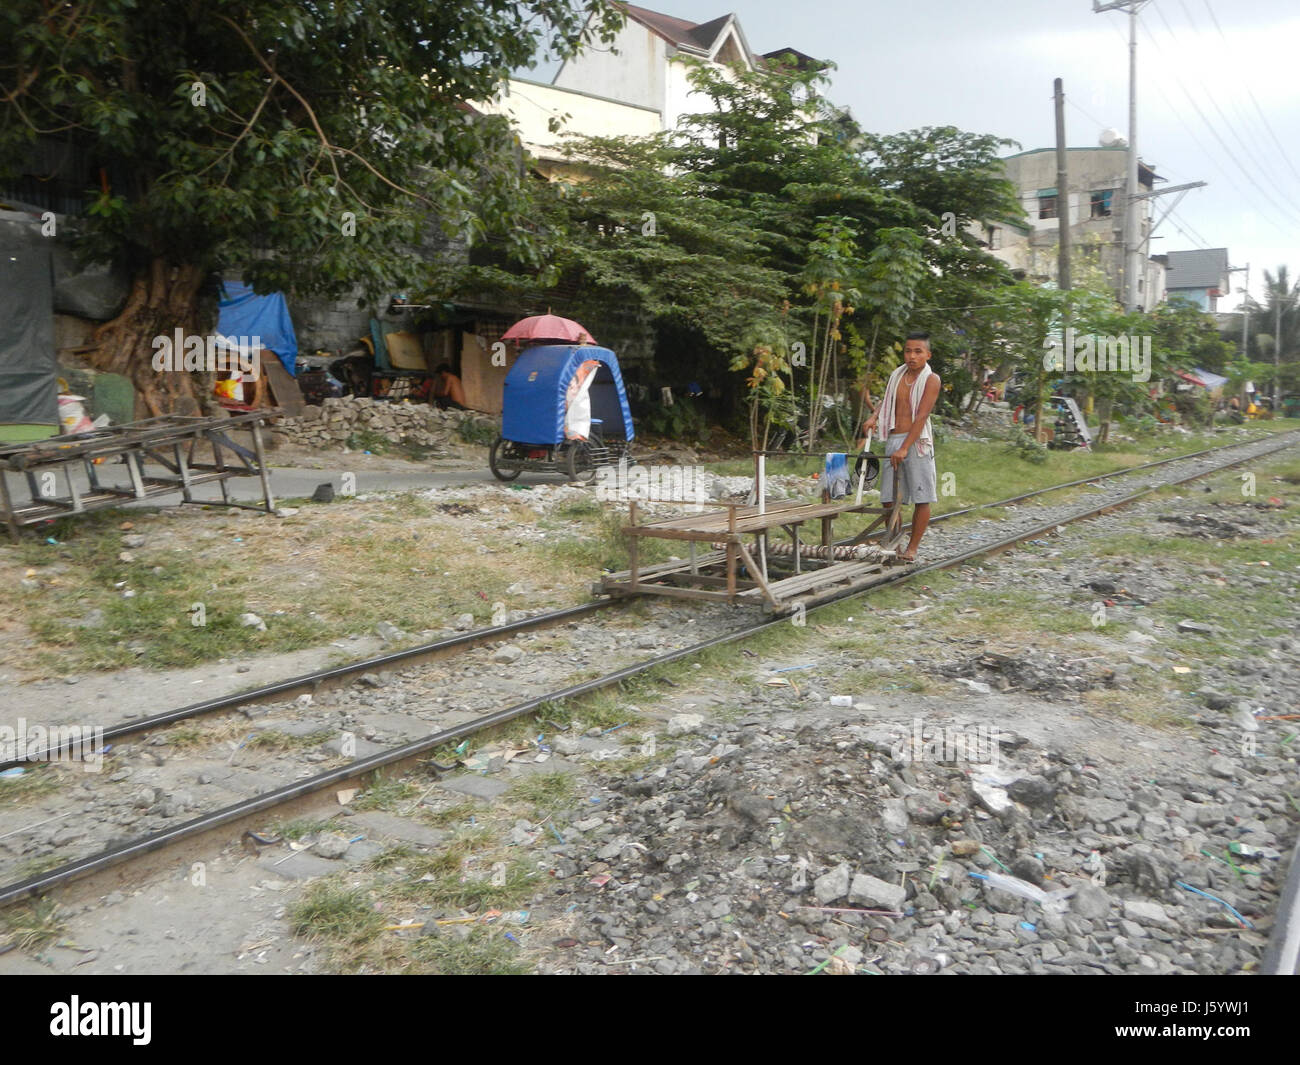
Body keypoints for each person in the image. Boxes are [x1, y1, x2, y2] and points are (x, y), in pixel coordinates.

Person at [862, 332, 941, 563]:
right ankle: (895, 543)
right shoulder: (897, 375)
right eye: (908, 351)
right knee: (888, 497)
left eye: (918, 351)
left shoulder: (931, 379)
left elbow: (922, 415)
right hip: (894, 438)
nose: (912, 356)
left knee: (922, 496)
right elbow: (887, 400)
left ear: (928, 354)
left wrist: (906, 447)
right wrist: (874, 416)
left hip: (917, 442)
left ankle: (912, 549)